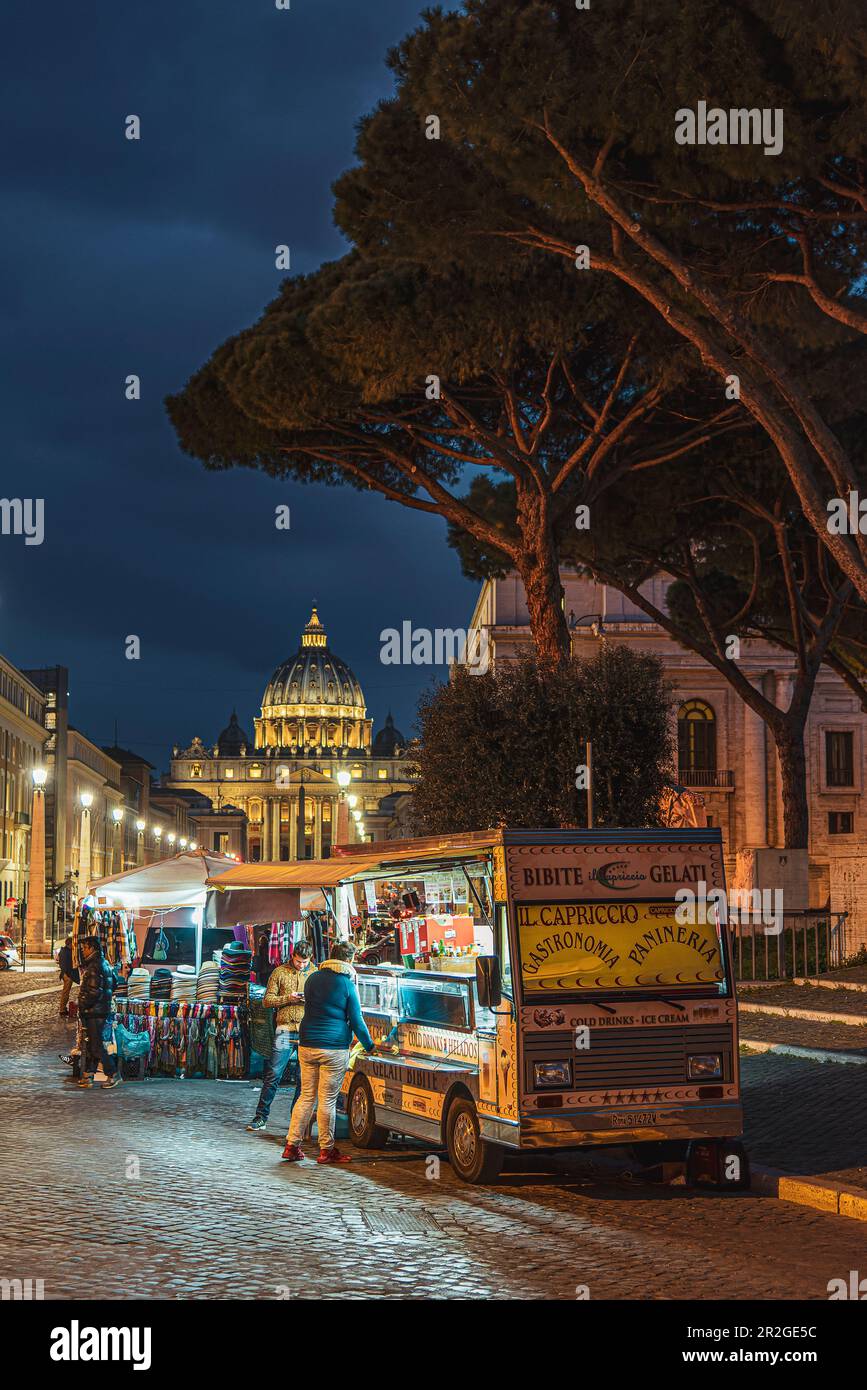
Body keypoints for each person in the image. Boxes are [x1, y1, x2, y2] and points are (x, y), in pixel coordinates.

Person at [282, 940, 375, 1166]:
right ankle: (326, 1150)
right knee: (327, 1100)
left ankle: (291, 1145)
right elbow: (356, 1020)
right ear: (348, 960)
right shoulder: (346, 984)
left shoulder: (313, 977)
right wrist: (370, 1045)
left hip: (307, 1043)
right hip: (333, 1047)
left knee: (306, 1096)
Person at [246, 940, 314, 1131]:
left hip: (306, 1032)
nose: (301, 965)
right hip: (284, 1029)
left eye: (304, 962)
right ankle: (261, 1117)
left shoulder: (315, 974)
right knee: (274, 1073)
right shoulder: (279, 972)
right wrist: (288, 998)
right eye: (298, 961)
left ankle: (297, 1120)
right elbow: (267, 1001)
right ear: (293, 956)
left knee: (303, 1078)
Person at [76, 935, 120, 1089]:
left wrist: (82, 1004)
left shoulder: (94, 966)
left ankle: (112, 1073)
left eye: (84, 948)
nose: (83, 951)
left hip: (95, 1012)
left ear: (91, 948)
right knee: (92, 1044)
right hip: (101, 1010)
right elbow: (114, 983)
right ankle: (88, 1075)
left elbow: (94, 992)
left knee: (97, 1046)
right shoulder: (105, 963)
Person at [57, 935, 79, 1016]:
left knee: (65, 992)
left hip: (65, 974)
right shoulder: (67, 952)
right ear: (70, 944)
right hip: (67, 974)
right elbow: (66, 965)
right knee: (65, 992)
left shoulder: (63, 951)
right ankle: (62, 1009)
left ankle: (63, 1008)